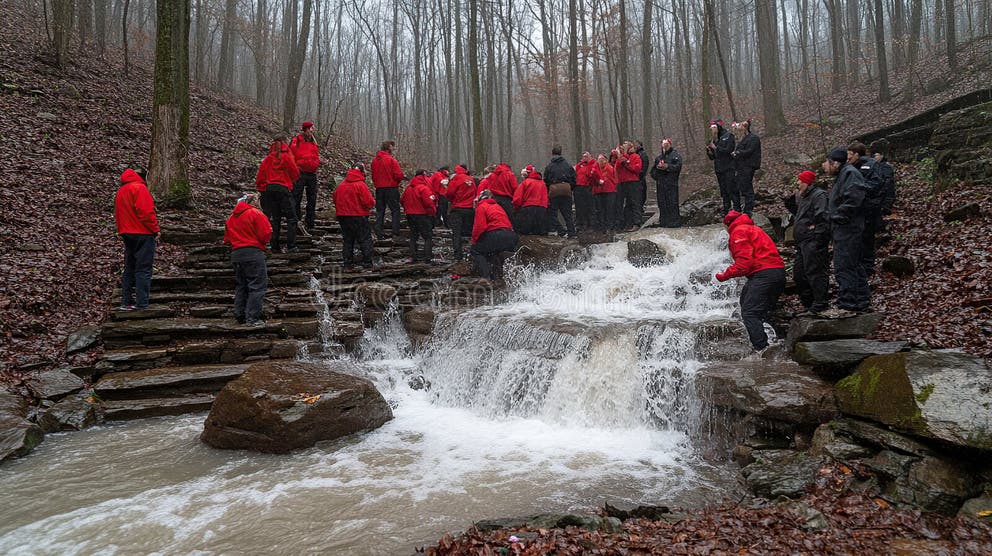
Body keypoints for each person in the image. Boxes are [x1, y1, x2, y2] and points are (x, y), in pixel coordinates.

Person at [715, 210, 786, 351]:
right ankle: (778, 341)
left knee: (749, 312)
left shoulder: (739, 232)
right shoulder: (754, 229)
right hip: (777, 272)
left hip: (763, 274)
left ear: (728, 224)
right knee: (754, 305)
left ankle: (762, 349)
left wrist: (724, 275)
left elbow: (744, 264)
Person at [823, 146, 870, 316]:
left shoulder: (850, 173)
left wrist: (836, 216)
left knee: (844, 266)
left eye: (826, 163)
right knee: (852, 265)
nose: (824, 167)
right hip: (844, 228)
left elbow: (854, 199)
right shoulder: (843, 174)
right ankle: (861, 302)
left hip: (848, 228)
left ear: (835, 163)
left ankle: (848, 304)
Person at [224, 193, 272, 326]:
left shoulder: (231, 218)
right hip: (253, 253)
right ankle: (252, 317)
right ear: (253, 202)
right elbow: (265, 234)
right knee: (257, 286)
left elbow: (227, 239)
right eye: (258, 199)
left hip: (236, 254)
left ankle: (239, 314)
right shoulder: (256, 214)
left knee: (241, 285)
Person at [115, 168, 160, 310]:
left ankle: (126, 302)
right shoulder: (139, 188)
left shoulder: (121, 191)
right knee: (144, 269)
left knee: (129, 268)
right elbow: (146, 212)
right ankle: (142, 303)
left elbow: (119, 213)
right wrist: (155, 229)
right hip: (143, 233)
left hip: (126, 233)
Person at [792, 170, 830, 315]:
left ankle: (820, 303)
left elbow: (823, 216)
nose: (798, 183)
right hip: (802, 242)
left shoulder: (819, 195)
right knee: (799, 274)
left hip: (813, 241)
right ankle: (809, 304)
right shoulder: (803, 197)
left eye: (800, 181)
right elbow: (800, 215)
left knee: (815, 272)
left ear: (807, 182)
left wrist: (817, 235)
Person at [255, 134, 300, 253]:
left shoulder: (268, 159)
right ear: (284, 143)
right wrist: (289, 181)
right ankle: (291, 245)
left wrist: (263, 189)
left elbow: (260, 177)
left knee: (275, 218)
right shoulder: (286, 157)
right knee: (291, 218)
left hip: (270, 190)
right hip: (283, 188)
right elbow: (295, 172)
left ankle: (274, 245)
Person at [848, 141, 884, 276]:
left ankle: (868, 266)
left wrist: (859, 188)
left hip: (869, 207)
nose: (848, 158)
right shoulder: (852, 167)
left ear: (857, 154)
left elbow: (876, 184)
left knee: (867, 237)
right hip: (858, 208)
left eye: (850, 155)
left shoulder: (871, 165)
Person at [334, 163, 377, 270]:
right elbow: (369, 202)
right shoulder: (360, 185)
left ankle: (347, 263)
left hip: (343, 216)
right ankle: (367, 262)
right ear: (362, 172)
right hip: (358, 215)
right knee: (365, 238)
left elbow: (335, 199)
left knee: (348, 240)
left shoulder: (341, 185)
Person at [471, 190, 519, 281]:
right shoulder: (498, 207)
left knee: (476, 250)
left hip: (496, 234)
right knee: (493, 252)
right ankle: (498, 277)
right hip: (511, 235)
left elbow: (480, 227)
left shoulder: (482, 207)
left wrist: (474, 240)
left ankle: (485, 277)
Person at [289, 121, 320, 234]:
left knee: (312, 199)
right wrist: (296, 168)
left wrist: (316, 163)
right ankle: (296, 221)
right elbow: (291, 155)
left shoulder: (313, 142)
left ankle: (310, 222)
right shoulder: (296, 140)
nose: (313, 130)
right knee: (296, 197)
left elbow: (316, 155)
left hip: (312, 173)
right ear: (306, 129)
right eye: (311, 128)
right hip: (300, 173)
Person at [401, 170, 438, 263]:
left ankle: (414, 256)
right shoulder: (423, 188)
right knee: (427, 237)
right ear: (423, 176)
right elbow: (429, 203)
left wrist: (407, 209)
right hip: (422, 215)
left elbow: (402, 200)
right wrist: (433, 213)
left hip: (410, 215)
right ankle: (428, 258)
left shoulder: (408, 188)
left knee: (413, 236)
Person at [371, 140, 406, 237]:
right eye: (393, 147)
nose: (394, 149)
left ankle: (378, 229)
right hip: (391, 188)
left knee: (380, 210)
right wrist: (398, 181)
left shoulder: (374, 161)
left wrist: (377, 184)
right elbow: (398, 175)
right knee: (395, 209)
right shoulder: (391, 160)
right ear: (389, 147)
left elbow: (373, 175)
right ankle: (395, 230)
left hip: (379, 188)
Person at [543, 145, 577, 238]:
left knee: (552, 212)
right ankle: (572, 233)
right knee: (567, 213)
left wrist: (549, 188)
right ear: (561, 153)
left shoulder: (549, 166)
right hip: (566, 188)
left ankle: (556, 231)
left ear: (552, 154)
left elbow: (545, 179)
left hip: (554, 189)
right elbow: (574, 179)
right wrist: (570, 188)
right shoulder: (568, 165)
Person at [705, 119, 738, 213]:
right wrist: (709, 151)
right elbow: (713, 157)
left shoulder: (728, 136)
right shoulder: (714, 139)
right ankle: (726, 210)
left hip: (729, 167)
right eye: (711, 128)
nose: (712, 130)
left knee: (732, 189)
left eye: (714, 127)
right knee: (724, 191)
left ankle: (737, 209)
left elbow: (729, 150)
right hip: (719, 168)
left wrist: (716, 148)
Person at [445, 164, 476, 261]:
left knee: (456, 233)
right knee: (469, 232)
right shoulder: (471, 179)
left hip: (458, 209)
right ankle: (472, 253)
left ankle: (458, 255)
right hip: (469, 209)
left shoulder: (456, 179)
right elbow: (475, 192)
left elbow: (449, 193)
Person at [649, 138, 682, 228]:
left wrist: (667, 167)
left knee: (672, 202)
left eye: (666, 144)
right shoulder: (658, 158)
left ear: (670, 144)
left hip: (671, 184)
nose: (665, 145)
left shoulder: (676, 156)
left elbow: (677, 167)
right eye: (663, 144)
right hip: (661, 184)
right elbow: (652, 172)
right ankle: (663, 222)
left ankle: (675, 222)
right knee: (662, 203)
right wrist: (658, 174)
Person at [731, 119, 761, 215]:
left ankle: (748, 209)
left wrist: (738, 153)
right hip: (741, 166)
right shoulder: (743, 139)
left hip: (748, 166)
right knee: (742, 186)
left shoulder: (753, 138)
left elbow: (750, 150)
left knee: (747, 187)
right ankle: (742, 208)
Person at [614, 141, 644, 231]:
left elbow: (637, 169)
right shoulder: (622, 157)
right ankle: (627, 223)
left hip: (633, 182)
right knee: (625, 204)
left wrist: (626, 163)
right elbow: (618, 167)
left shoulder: (636, 157)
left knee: (634, 203)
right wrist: (620, 156)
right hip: (623, 183)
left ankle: (637, 223)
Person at [511, 165, 550, 235]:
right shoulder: (542, 183)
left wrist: (516, 209)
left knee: (524, 232)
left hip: (528, 208)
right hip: (542, 208)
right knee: (539, 233)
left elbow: (517, 198)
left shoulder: (525, 183)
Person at [870, 139, 897, 232]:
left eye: (876, 155)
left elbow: (889, 183)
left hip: (884, 197)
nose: (874, 157)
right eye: (873, 156)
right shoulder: (874, 166)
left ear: (881, 155)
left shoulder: (885, 167)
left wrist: (888, 200)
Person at [573, 151, 597, 231]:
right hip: (579, 187)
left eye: (586, 156)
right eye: (584, 156)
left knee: (590, 207)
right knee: (580, 207)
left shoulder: (593, 165)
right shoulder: (579, 166)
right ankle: (581, 224)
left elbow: (592, 175)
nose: (585, 158)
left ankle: (591, 224)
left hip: (588, 187)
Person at [592, 154, 616, 232]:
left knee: (609, 209)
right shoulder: (597, 168)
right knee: (602, 209)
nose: (600, 161)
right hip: (601, 191)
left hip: (609, 191)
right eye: (599, 159)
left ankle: (609, 225)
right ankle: (603, 226)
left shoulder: (608, 168)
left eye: (602, 159)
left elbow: (604, 177)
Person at [634, 140, 650, 219]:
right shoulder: (636, 154)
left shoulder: (642, 154)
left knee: (641, 194)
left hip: (639, 178)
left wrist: (640, 174)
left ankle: (640, 209)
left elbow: (644, 166)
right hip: (637, 178)